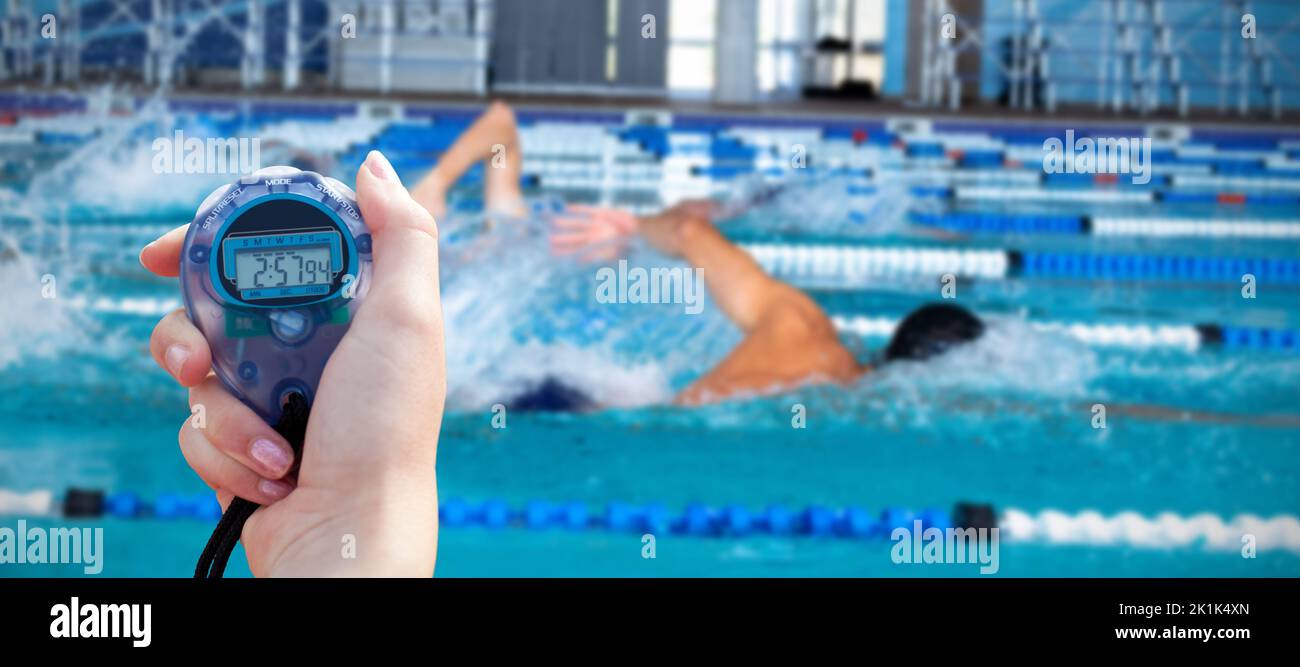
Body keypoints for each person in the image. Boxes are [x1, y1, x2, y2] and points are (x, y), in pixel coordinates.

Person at [409, 102, 986, 406]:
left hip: (558, 384)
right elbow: (502, 123)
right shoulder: (500, 257)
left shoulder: (504, 258)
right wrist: (434, 185)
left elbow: (687, 230)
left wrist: (633, 226)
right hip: (587, 396)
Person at [140, 151, 445, 576]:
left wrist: (353, 515)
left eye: (300, 267)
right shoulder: (339, 243)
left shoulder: (219, 248)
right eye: (265, 270)